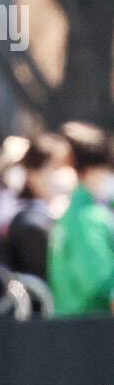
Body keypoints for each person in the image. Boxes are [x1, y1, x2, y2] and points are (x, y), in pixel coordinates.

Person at [49, 122, 114, 315]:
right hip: (94, 327)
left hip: (74, 329)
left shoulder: (73, 213)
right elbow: (100, 282)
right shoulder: (88, 217)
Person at [0, 133, 71, 282]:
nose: (65, 174)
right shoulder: (31, 223)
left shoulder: (47, 214)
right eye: (57, 167)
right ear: (33, 174)